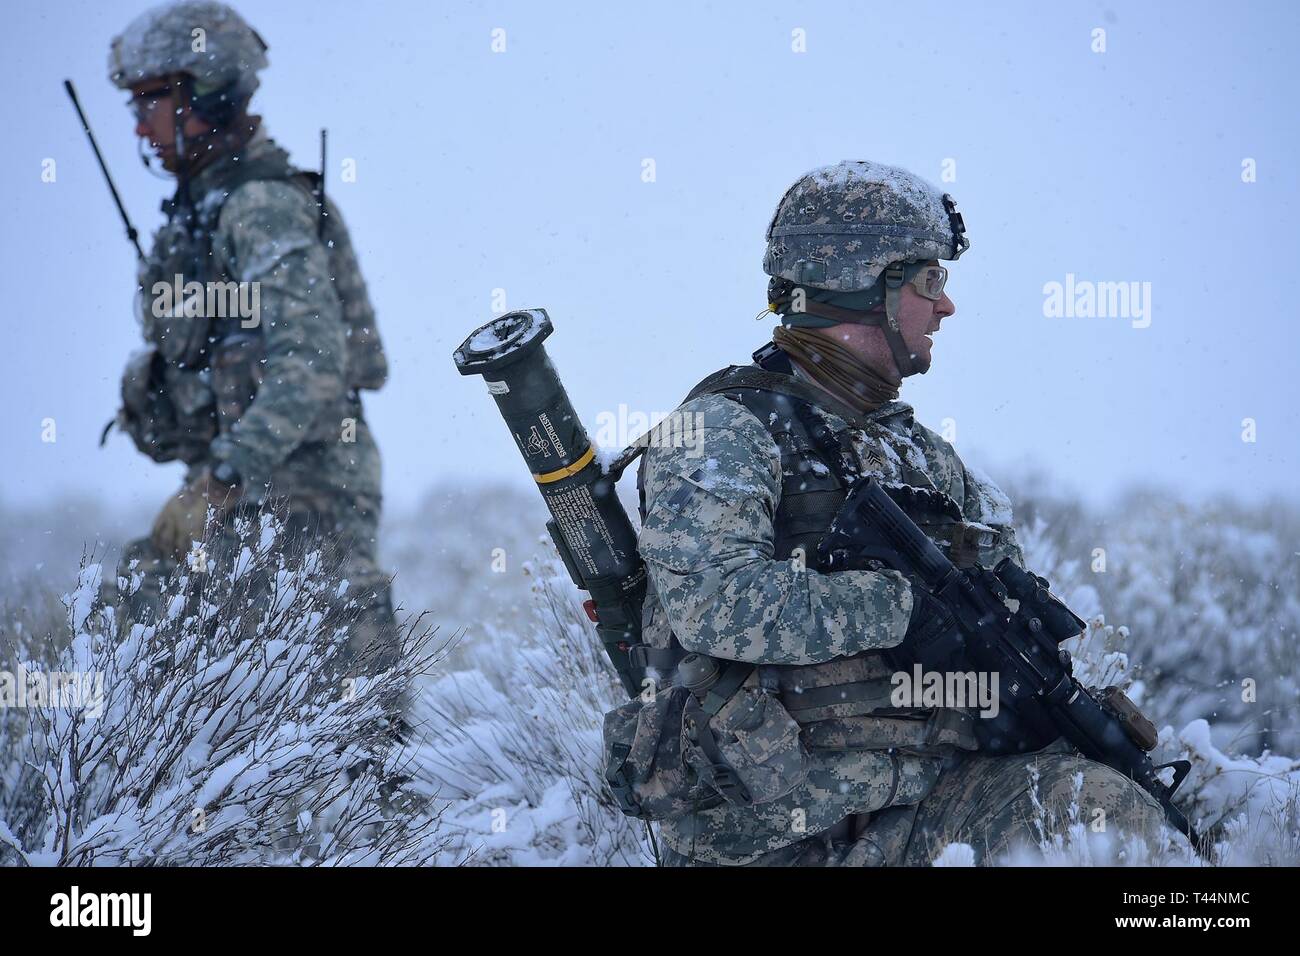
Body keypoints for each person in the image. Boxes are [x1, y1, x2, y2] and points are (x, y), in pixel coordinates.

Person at [635, 160, 1169, 865]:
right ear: (866, 282)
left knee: (1110, 806)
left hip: (925, 796)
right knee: (1091, 814)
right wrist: (899, 606)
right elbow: (714, 604)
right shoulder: (723, 430)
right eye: (930, 281)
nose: (946, 307)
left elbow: (999, 593)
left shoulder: (918, 451)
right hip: (787, 825)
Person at [102, 1, 396, 668]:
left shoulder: (259, 207)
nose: (141, 126)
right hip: (244, 497)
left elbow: (314, 359)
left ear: (211, 91)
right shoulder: (202, 213)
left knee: (334, 703)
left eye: (152, 101)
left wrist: (222, 479)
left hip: (302, 494)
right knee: (141, 603)